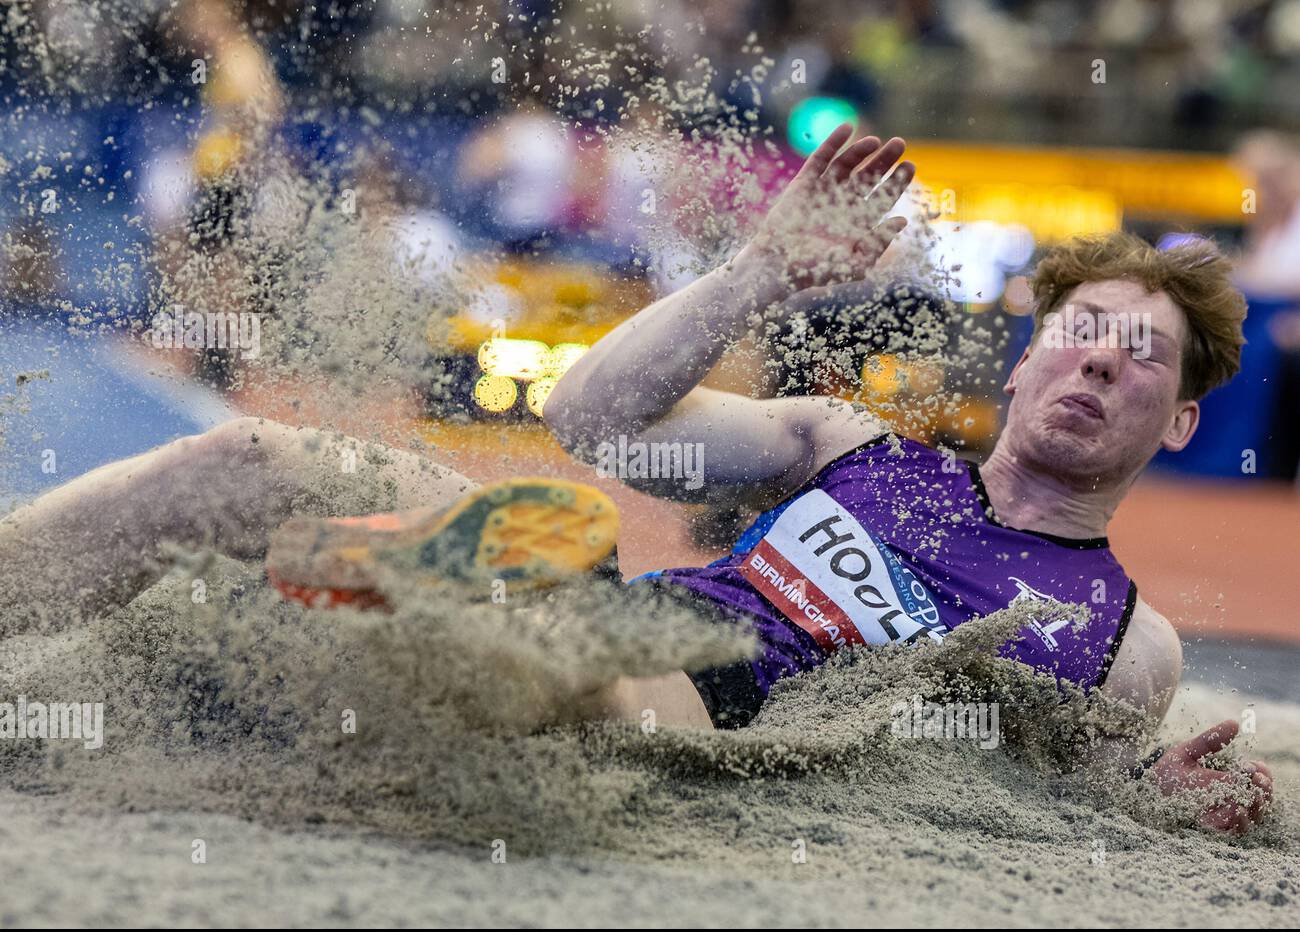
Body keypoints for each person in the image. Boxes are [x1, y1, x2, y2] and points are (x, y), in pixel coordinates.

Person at [0, 129, 1272, 834]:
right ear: (1029, 352)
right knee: (248, 458)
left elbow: (1067, 787)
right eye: (1081, 331)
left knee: (601, 664)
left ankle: (450, 596)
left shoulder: (1129, 647)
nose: (1099, 365)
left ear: (1181, 421)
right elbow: (591, 415)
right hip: (618, 595)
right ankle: (442, 581)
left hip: (697, 726)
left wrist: (1149, 802)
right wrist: (755, 276)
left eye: (1141, 355)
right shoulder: (845, 444)